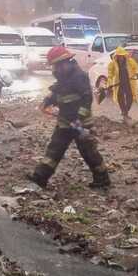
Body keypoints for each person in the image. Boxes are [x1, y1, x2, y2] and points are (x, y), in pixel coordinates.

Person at [29, 46, 111, 189]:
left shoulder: (79, 77)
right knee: (54, 149)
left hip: (80, 123)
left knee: (89, 152)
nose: (55, 69)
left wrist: (79, 118)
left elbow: (87, 99)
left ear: (66, 62)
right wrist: (47, 101)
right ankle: (40, 177)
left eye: (57, 65)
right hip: (65, 122)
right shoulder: (63, 77)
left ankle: (102, 178)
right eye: (54, 66)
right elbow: (57, 93)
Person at [105, 46, 138, 122]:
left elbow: (136, 68)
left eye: (122, 56)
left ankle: (125, 111)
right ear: (116, 56)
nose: (120, 58)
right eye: (119, 56)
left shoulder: (130, 61)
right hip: (119, 84)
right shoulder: (112, 64)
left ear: (124, 56)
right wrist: (109, 84)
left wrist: (137, 73)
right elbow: (110, 75)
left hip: (128, 83)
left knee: (130, 98)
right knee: (120, 98)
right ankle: (125, 113)